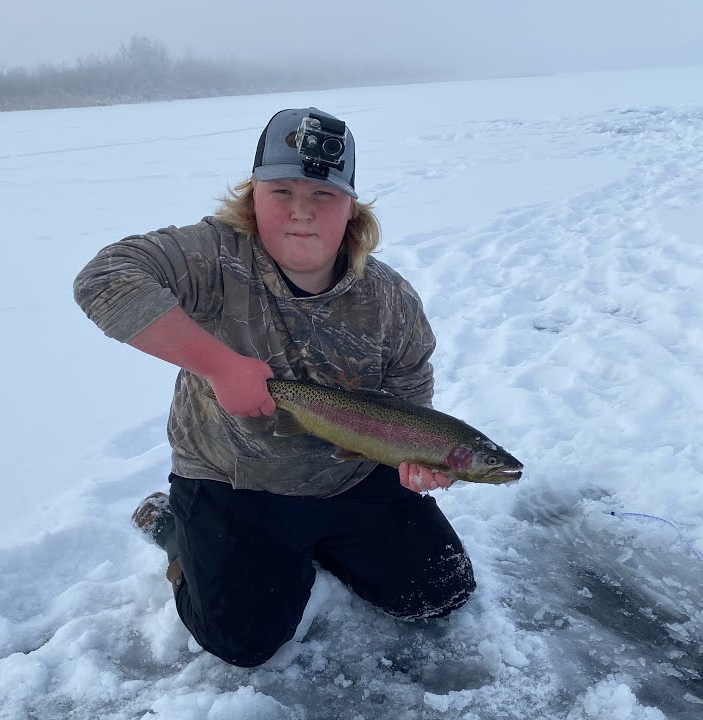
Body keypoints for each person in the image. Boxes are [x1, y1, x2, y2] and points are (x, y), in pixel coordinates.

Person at [72, 107, 475, 668]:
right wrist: (219, 365)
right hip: (235, 478)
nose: (301, 212)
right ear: (252, 195)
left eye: (323, 195)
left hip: (350, 474)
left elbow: (409, 403)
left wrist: (417, 459)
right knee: (243, 643)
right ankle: (176, 536)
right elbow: (104, 279)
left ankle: (314, 547)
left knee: (440, 593)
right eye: (282, 191)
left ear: (351, 207)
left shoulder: (390, 299)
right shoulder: (213, 257)